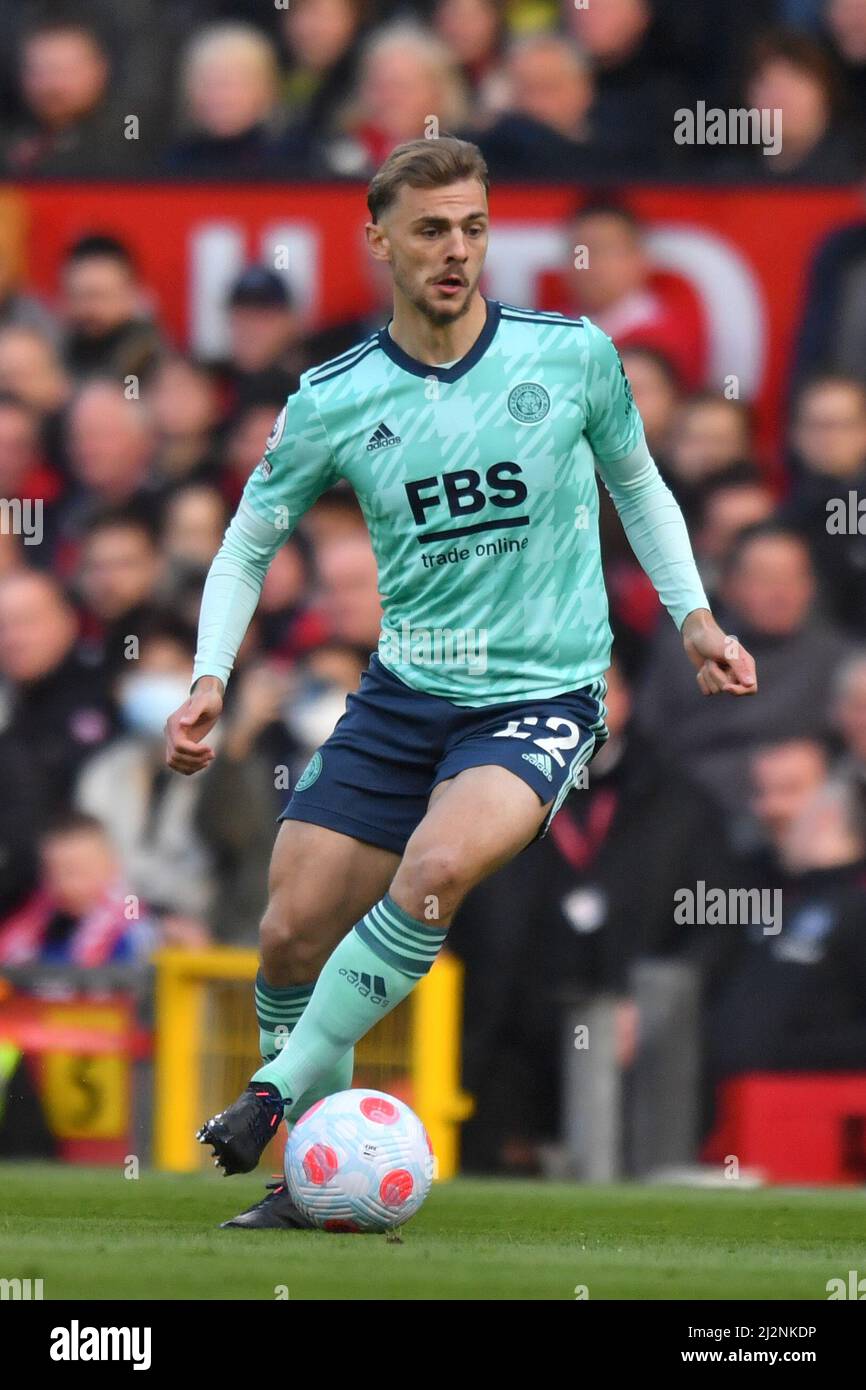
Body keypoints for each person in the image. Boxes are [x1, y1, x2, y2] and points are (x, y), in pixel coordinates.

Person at [164, 136, 757, 1230]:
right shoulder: (333, 396)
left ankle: (270, 1098)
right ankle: (314, 1187)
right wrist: (209, 677)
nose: (455, 250)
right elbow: (248, 541)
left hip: (542, 693)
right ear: (378, 240)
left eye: (473, 227)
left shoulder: (569, 355)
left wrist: (694, 619)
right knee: (290, 927)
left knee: (433, 869)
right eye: (431, 229)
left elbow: (638, 482)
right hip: (403, 695)